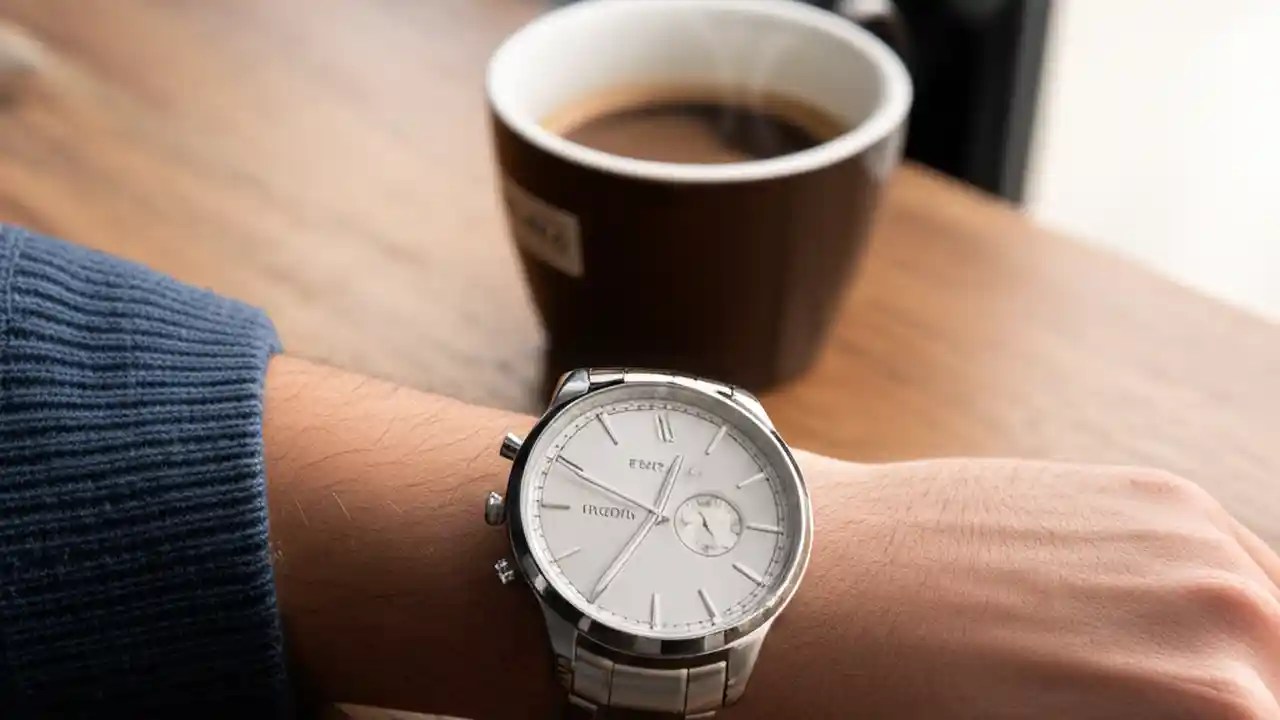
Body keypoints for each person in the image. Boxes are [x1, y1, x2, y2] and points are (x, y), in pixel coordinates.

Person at [1, 223, 1277, 719]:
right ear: (512, 503)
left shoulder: (683, 453)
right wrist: (851, 567)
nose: (671, 501)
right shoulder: (523, 528)